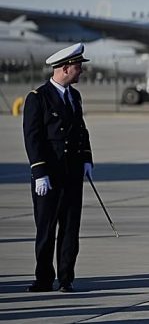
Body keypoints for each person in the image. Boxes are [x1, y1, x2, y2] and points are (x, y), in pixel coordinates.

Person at [23, 43, 92, 293]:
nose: (81, 71)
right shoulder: (38, 98)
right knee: (46, 228)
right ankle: (43, 278)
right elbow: (33, 138)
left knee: (70, 229)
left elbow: (81, 131)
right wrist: (39, 171)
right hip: (49, 175)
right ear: (64, 68)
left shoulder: (74, 96)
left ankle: (66, 278)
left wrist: (87, 159)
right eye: (78, 67)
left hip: (72, 173)